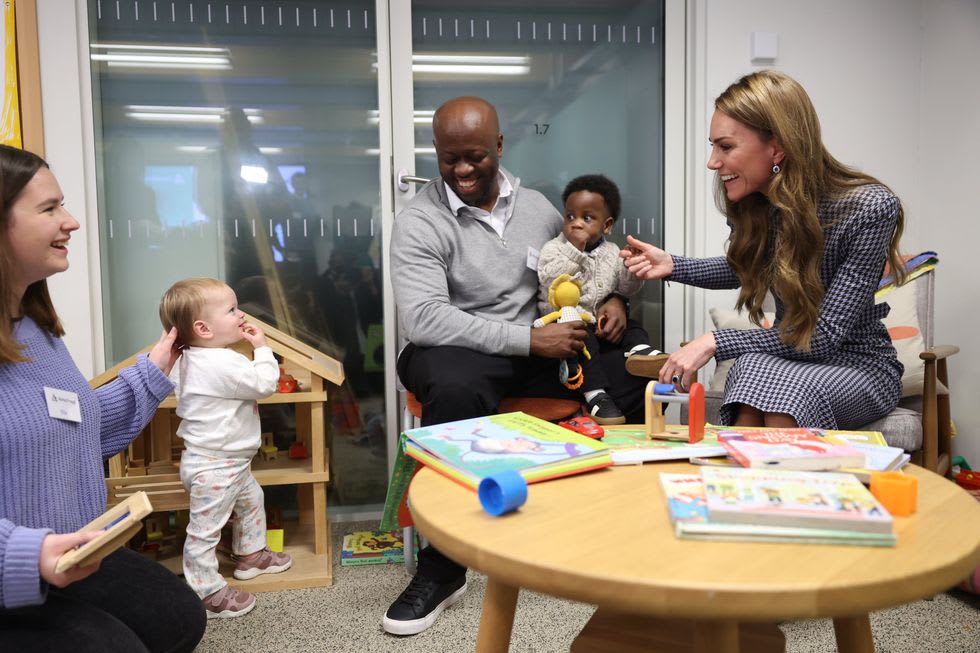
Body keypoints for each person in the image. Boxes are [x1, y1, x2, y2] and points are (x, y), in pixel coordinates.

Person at [384, 96, 647, 636]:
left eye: (475, 156)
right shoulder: (417, 223)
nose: (461, 170)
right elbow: (425, 320)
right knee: (455, 387)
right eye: (448, 156)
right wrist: (528, 340)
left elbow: (581, 269)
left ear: (499, 148)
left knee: (638, 377)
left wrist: (616, 301)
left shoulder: (540, 208)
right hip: (455, 350)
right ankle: (443, 567)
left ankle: (619, 536)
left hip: (536, 343)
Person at [0, 144, 206, 652]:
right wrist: (30, 554)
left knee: (178, 618)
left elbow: (74, 429)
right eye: (49, 209)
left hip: (67, 554)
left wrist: (153, 371)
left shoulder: (34, 329)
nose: (69, 221)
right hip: (19, 569)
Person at [622, 70, 906, 430]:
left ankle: (777, 484)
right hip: (792, 355)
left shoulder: (869, 208)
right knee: (750, 367)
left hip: (858, 364)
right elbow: (747, 268)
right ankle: (740, 485)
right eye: (713, 146)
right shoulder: (760, 205)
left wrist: (713, 341)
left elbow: (823, 336)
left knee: (787, 391)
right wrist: (672, 264)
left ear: (777, 147)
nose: (712, 161)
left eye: (725, 147)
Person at [159, 277, 292, 619]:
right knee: (204, 531)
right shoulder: (224, 363)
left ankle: (251, 555)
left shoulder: (187, 359)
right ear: (203, 328)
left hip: (220, 461)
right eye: (232, 310)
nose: (241, 315)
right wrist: (262, 348)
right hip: (217, 466)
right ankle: (206, 592)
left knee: (251, 502)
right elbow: (265, 384)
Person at [536, 174, 668, 424]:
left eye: (587, 218)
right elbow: (550, 277)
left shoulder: (611, 252)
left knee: (633, 324)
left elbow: (626, 289)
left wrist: (631, 267)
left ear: (607, 225)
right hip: (566, 323)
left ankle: (638, 351)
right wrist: (575, 250)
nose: (576, 224)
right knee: (585, 339)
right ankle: (596, 394)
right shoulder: (554, 248)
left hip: (598, 320)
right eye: (570, 216)